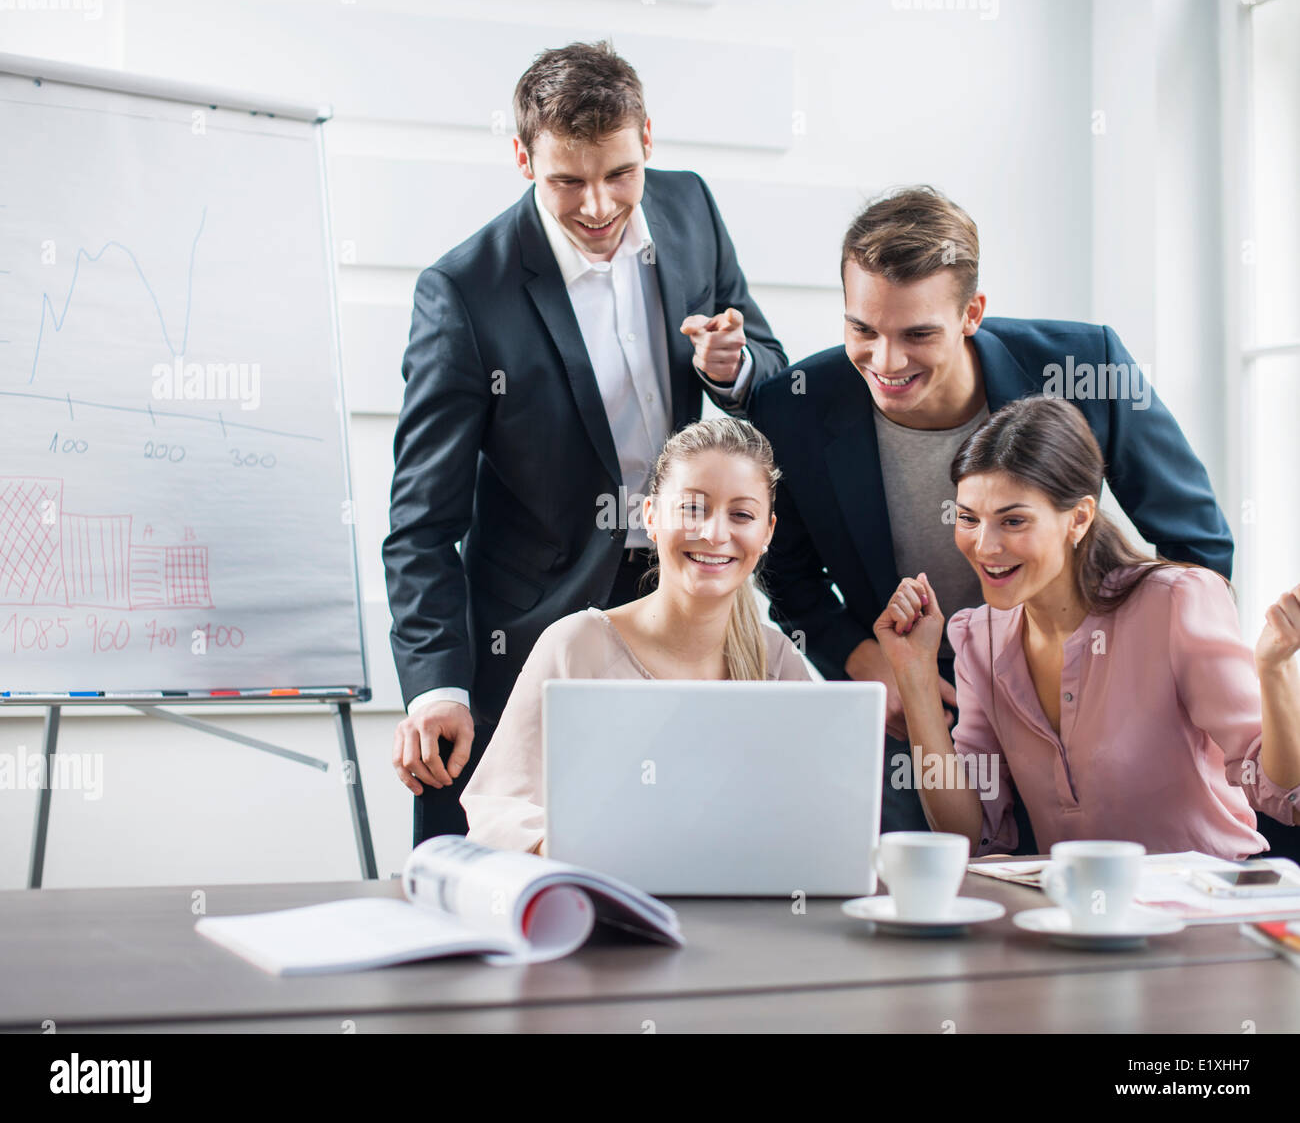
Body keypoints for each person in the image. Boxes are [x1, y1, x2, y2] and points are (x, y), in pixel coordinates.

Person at [383, 42, 787, 845]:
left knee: (691, 851)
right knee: (497, 870)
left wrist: (734, 366)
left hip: (687, 608)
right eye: (567, 180)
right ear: (522, 156)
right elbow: (420, 522)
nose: (599, 206)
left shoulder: (691, 210)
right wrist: (437, 688)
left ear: (648, 138)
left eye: (620, 175)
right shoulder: (463, 293)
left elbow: (769, 368)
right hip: (530, 628)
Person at [748, 185, 1233, 843]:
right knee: (940, 897)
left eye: (918, 333)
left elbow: (1196, 539)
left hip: (1094, 689)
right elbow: (786, 574)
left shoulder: (1085, 364)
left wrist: (1143, 675)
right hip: (921, 698)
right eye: (862, 330)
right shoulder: (792, 408)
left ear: (972, 312)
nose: (885, 362)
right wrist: (858, 657)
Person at [873, 396, 1300, 860]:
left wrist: (1274, 668)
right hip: (1081, 918)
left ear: (1078, 518)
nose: (985, 546)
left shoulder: (1176, 601)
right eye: (968, 519)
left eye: (1013, 521)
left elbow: (1280, 790)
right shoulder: (978, 637)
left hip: (1205, 910)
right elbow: (967, 834)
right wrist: (914, 674)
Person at [461, 418, 812, 853]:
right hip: (606, 905)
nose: (715, 533)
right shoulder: (577, 646)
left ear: (767, 533)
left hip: (744, 911)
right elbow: (498, 809)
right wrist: (585, 851)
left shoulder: (776, 662)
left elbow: (816, 814)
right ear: (650, 517)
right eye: (692, 508)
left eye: (741, 514)